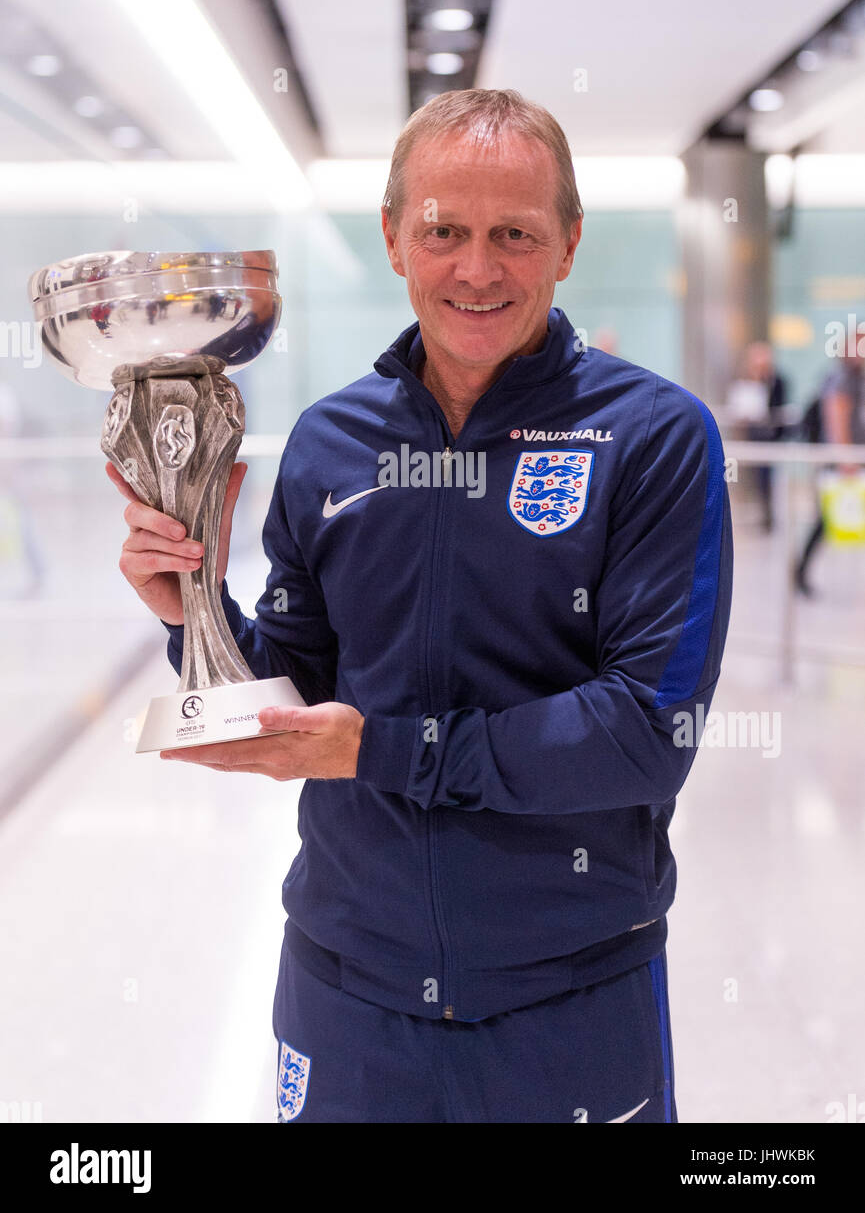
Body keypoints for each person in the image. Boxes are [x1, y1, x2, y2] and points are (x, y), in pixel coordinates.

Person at [106, 88, 733, 1124]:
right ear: (395, 236)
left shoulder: (654, 437)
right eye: (443, 230)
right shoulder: (329, 441)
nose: (476, 268)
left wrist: (384, 750)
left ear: (568, 243)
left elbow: (643, 733)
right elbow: (302, 679)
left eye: (513, 235)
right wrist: (191, 610)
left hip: (567, 996)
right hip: (347, 988)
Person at [795, 331, 865, 596]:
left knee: (827, 518)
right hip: (843, 462)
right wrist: (845, 458)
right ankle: (800, 570)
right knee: (825, 519)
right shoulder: (842, 377)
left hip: (854, 458)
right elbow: (836, 417)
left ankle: (800, 570)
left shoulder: (856, 377)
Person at [726, 341, 788, 531]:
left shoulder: (777, 381)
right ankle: (760, 512)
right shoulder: (743, 381)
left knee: (767, 478)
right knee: (753, 477)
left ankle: (769, 516)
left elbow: (777, 406)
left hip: (770, 437)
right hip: (752, 435)